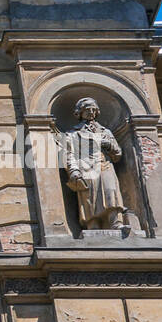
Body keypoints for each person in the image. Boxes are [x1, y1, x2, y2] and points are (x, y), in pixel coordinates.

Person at [62, 96, 125, 231]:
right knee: (89, 199)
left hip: (105, 165)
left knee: (111, 191)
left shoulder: (105, 131)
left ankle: (116, 223)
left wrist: (109, 145)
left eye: (93, 109)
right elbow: (68, 154)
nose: (91, 112)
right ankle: (93, 226)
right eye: (87, 109)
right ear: (80, 112)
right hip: (86, 168)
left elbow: (118, 154)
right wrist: (73, 171)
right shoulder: (72, 134)